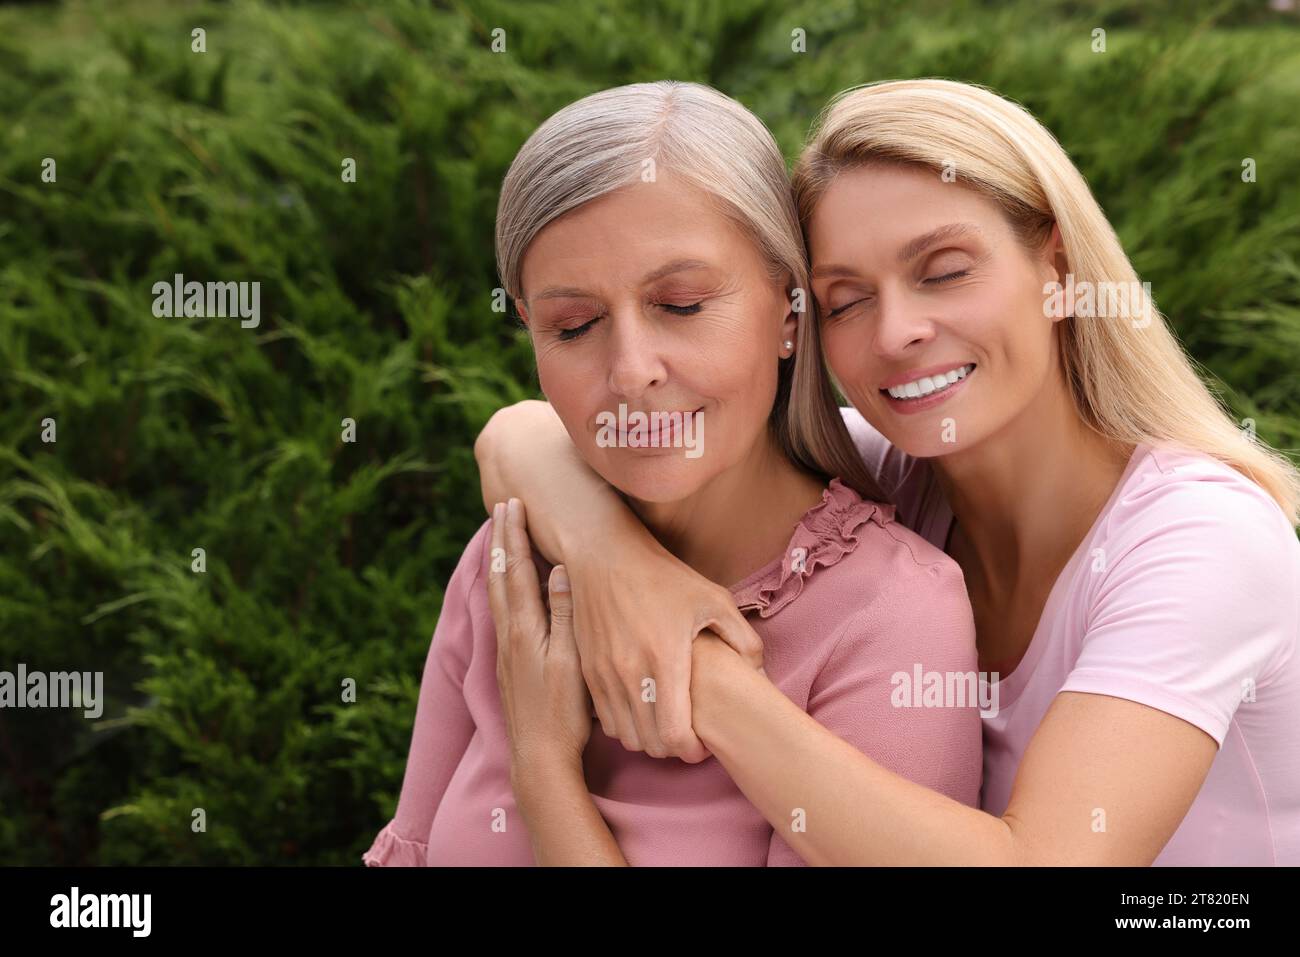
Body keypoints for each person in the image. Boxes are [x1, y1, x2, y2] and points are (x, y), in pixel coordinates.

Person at [475, 79, 1300, 865]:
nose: (898, 330)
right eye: (845, 299)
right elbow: (519, 435)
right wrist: (618, 567)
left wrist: (694, 667)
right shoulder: (885, 475)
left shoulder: (1203, 539)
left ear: (1057, 272)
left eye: (944, 271)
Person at [363, 81, 982, 866]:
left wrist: (545, 771)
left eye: (682, 305)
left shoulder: (893, 613)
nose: (630, 371)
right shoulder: (512, 557)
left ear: (791, 313)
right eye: (573, 324)